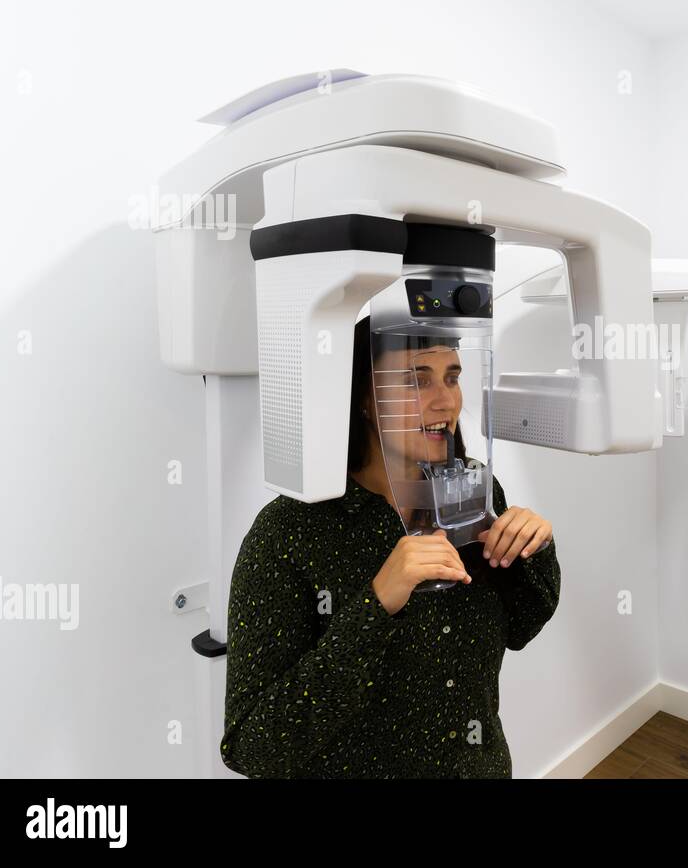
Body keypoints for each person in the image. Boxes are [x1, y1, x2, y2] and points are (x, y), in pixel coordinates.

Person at [219, 315, 560, 778]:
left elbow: (521, 625)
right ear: (362, 398)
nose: (446, 401)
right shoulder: (287, 533)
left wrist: (530, 550)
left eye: (452, 377)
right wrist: (376, 605)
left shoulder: (471, 489)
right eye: (415, 380)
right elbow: (250, 748)